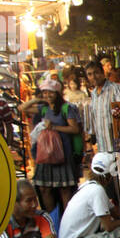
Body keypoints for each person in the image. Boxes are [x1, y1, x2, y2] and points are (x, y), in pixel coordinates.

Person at [22, 78, 83, 213]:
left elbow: (75, 129)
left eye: (51, 93)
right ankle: (53, 221)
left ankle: (68, 220)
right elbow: (22, 108)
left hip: (64, 154)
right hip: (47, 155)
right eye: (45, 92)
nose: (47, 95)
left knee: (65, 190)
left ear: (58, 93)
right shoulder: (44, 108)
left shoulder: (67, 108)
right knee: (45, 189)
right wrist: (38, 99)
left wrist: (55, 127)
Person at [59, 153, 120, 238]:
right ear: (110, 176)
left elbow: (115, 213)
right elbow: (108, 226)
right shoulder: (97, 191)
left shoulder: (89, 186)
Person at [82, 58, 120, 153]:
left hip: (117, 146)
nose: (93, 77)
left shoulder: (115, 89)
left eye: (96, 72)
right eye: (89, 74)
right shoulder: (94, 93)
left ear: (102, 72)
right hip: (102, 147)